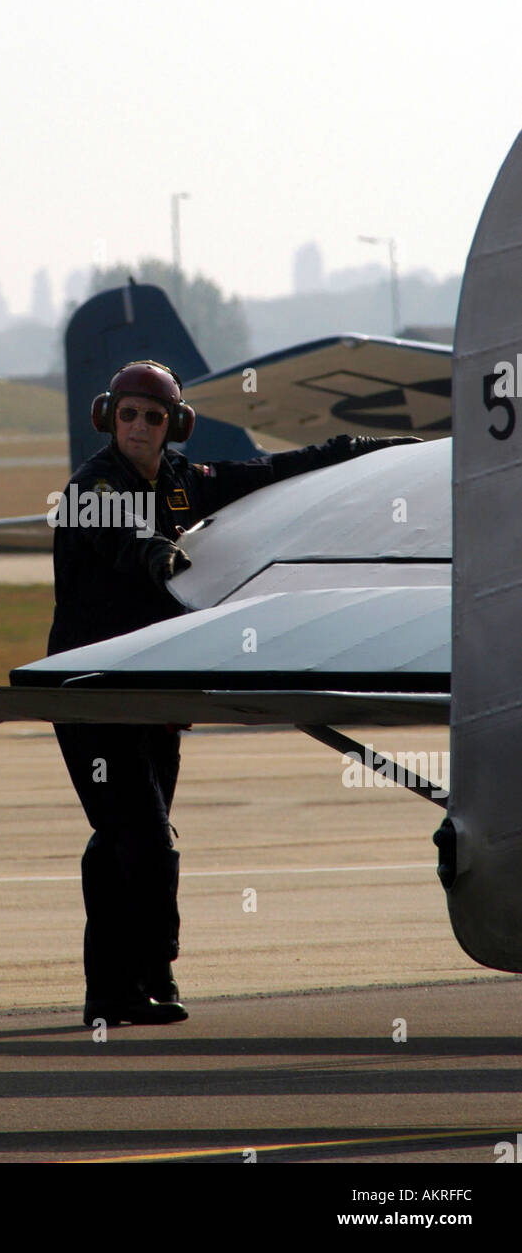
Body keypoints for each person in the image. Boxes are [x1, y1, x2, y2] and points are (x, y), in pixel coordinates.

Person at [48, 359, 417, 1027]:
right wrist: (155, 552)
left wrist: (366, 453)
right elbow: (119, 536)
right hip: (89, 689)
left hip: (155, 689)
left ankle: (110, 990)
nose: (138, 426)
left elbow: (271, 471)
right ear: (108, 417)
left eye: (152, 417)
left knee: (120, 838)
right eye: (127, 414)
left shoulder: (186, 482)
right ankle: (153, 972)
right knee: (144, 838)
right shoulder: (90, 486)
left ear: (174, 425)